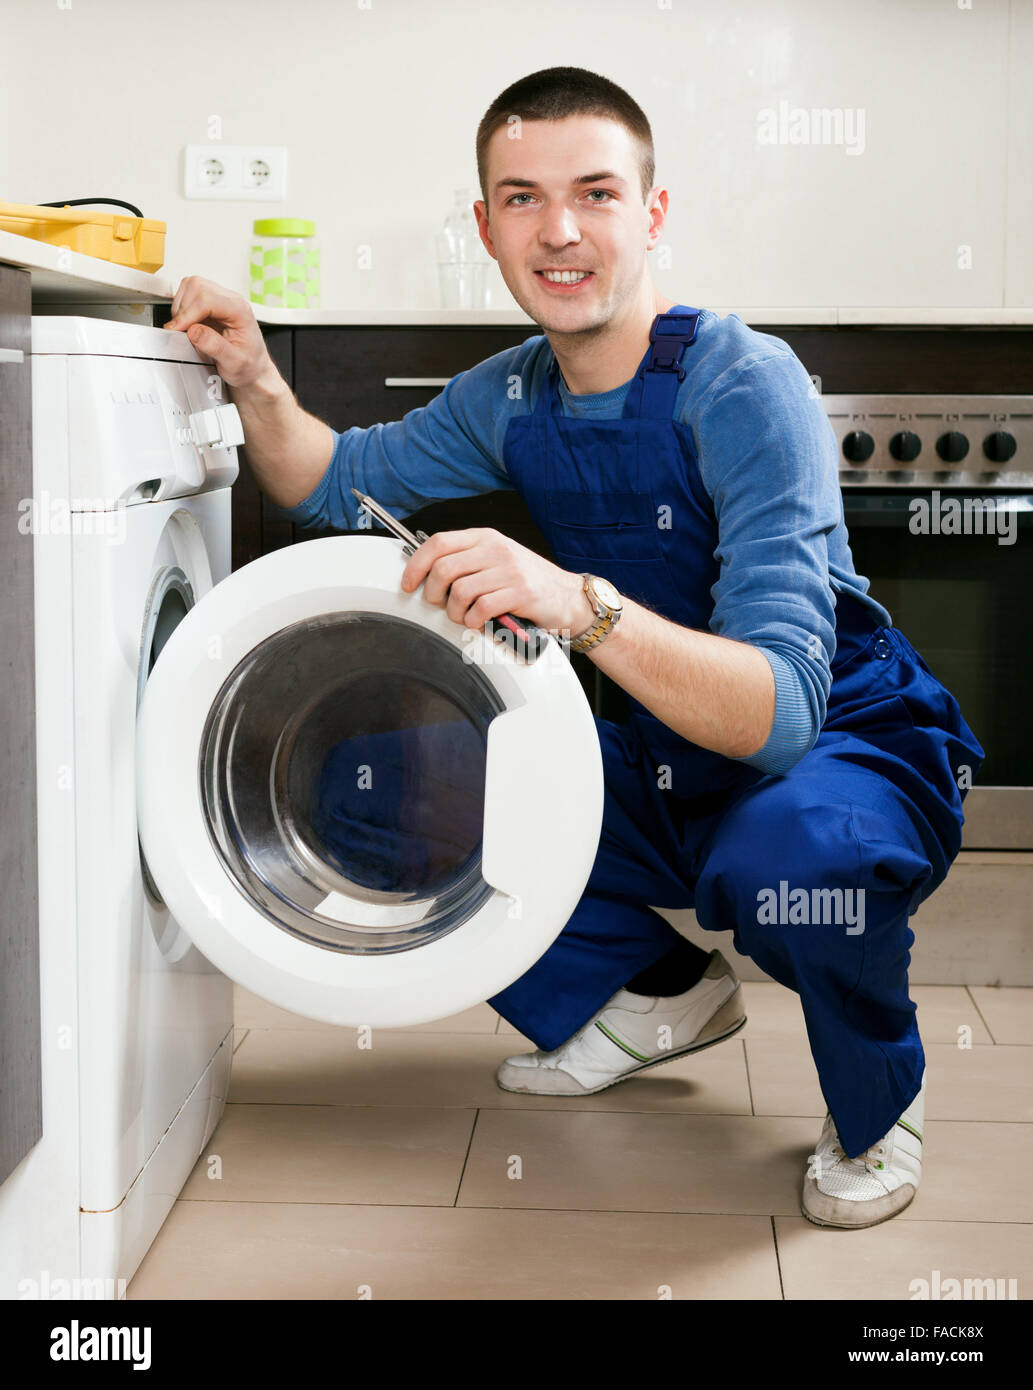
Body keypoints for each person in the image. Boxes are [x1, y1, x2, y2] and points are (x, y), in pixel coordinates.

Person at [164, 65, 984, 1230]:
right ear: (486, 225)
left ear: (651, 215)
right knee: (353, 791)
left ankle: (878, 1099)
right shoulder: (510, 393)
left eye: (596, 193)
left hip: (833, 744)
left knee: (794, 868)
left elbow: (782, 713)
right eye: (520, 198)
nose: (558, 230)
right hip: (659, 746)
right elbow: (330, 484)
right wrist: (253, 377)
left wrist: (573, 598)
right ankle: (657, 999)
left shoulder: (744, 384)